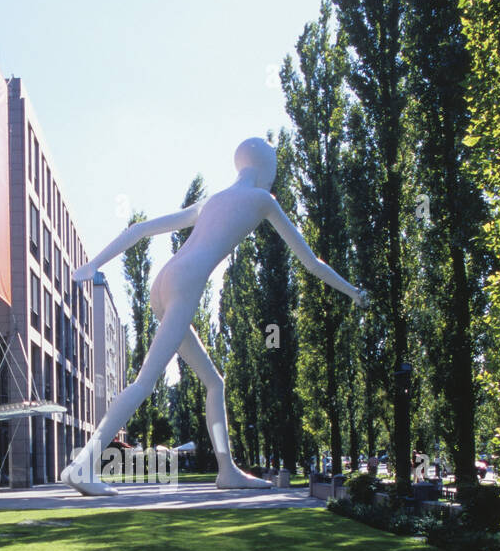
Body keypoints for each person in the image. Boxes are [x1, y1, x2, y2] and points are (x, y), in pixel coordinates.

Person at [62, 137, 367, 495]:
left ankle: (227, 469)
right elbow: (311, 262)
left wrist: (94, 263)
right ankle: (83, 466)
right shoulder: (262, 200)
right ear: (267, 169)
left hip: (165, 278)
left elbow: (140, 229)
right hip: (187, 282)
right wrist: (353, 292)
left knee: (214, 383)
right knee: (145, 382)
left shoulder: (211, 201)